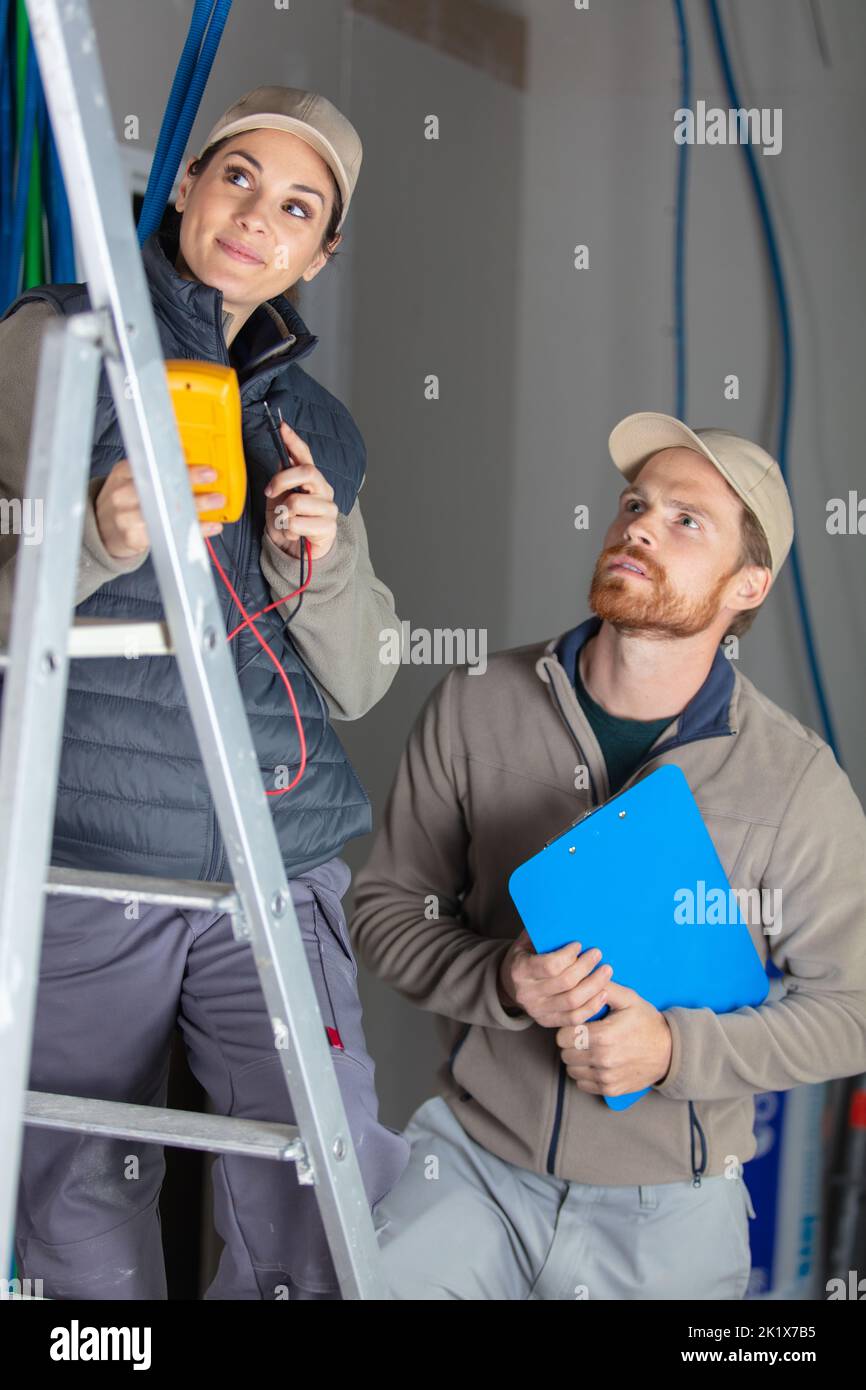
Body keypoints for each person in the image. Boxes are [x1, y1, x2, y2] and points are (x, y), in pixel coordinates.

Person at [0, 85, 410, 1300]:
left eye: (296, 206)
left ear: (319, 251)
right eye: (236, 179)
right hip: (90, 853)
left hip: (274, 858)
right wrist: (93, 536)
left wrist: (319, 566)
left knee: (324, 1191)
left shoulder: (318, 426)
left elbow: (362, 672)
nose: (255, 217)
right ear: (183, 183)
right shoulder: (52, 342)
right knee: (75, 1195)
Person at [349, 412, 866, 1300]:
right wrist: (504, 980)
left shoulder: (796, 781)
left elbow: (852, 1009)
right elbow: (385, 911)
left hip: (672, 1215)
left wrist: (673, 1051)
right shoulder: (477, 702)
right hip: (470, 1172)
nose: (638, 525)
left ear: (748, 584)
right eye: (636, 502)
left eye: (685, 520)